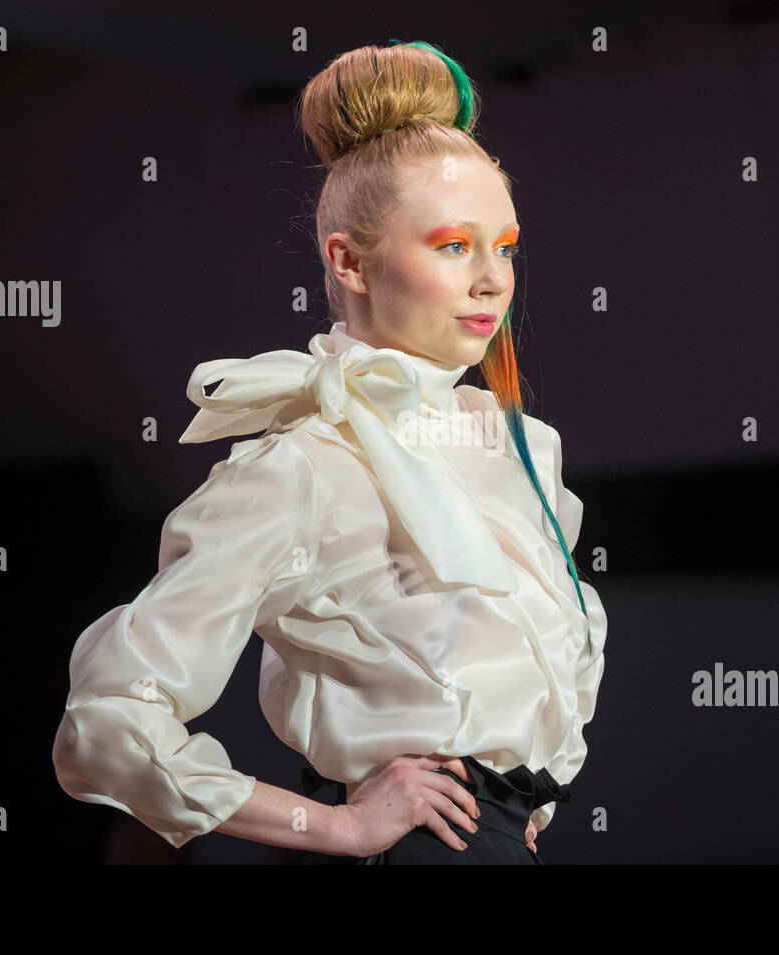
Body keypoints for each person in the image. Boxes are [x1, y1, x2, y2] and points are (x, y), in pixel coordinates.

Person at [51, 39, 607, 865]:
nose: (492, 278)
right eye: (455, 245)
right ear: (349, 260)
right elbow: (106, 719)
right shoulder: (303, 465)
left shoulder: (514, 446)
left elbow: (551, 672)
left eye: (506, 246)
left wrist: (524, 801)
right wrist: (336, 826)